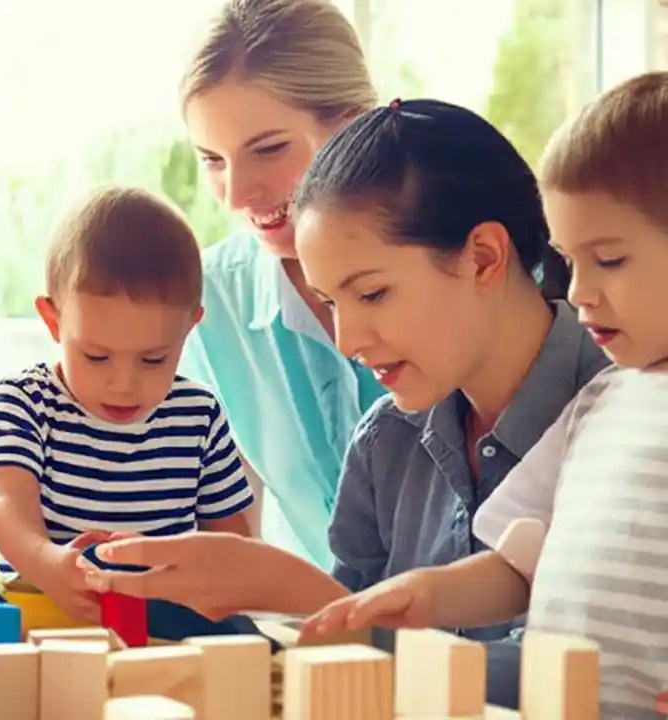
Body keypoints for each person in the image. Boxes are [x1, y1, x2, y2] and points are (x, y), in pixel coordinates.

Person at [85, 98, 609, 708]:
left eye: (373, 293)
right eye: (332, 302)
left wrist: (303, 594)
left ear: (484, 258)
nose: (348, 339)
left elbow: (586, 675)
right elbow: (345, 670)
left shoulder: (627, 419)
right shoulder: (385, 440)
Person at [302, 72, 668, 719]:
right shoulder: (599, 406)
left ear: (484, 257)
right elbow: (519, 563)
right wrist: (425, 594)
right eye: (572, 261)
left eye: (608, 259)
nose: (578, 291)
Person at [175, 0, 386, 569]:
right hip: (307, 639)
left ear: (353, 124)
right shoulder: (204, 304)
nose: (238, 193)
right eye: (213, 160)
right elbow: (221, 524)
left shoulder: (456, 266)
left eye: (268, 150)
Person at [0, 187, 255, 622]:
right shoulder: (26, 403)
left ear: (190, 327)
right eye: (96, 356)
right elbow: (5, 505)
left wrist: (221, 582)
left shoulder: (199, 414)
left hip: (167, 621)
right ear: (53, 321)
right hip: (54, 612)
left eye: (153, 359)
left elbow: (233, 540)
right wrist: (46, 562)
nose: (123, 384)